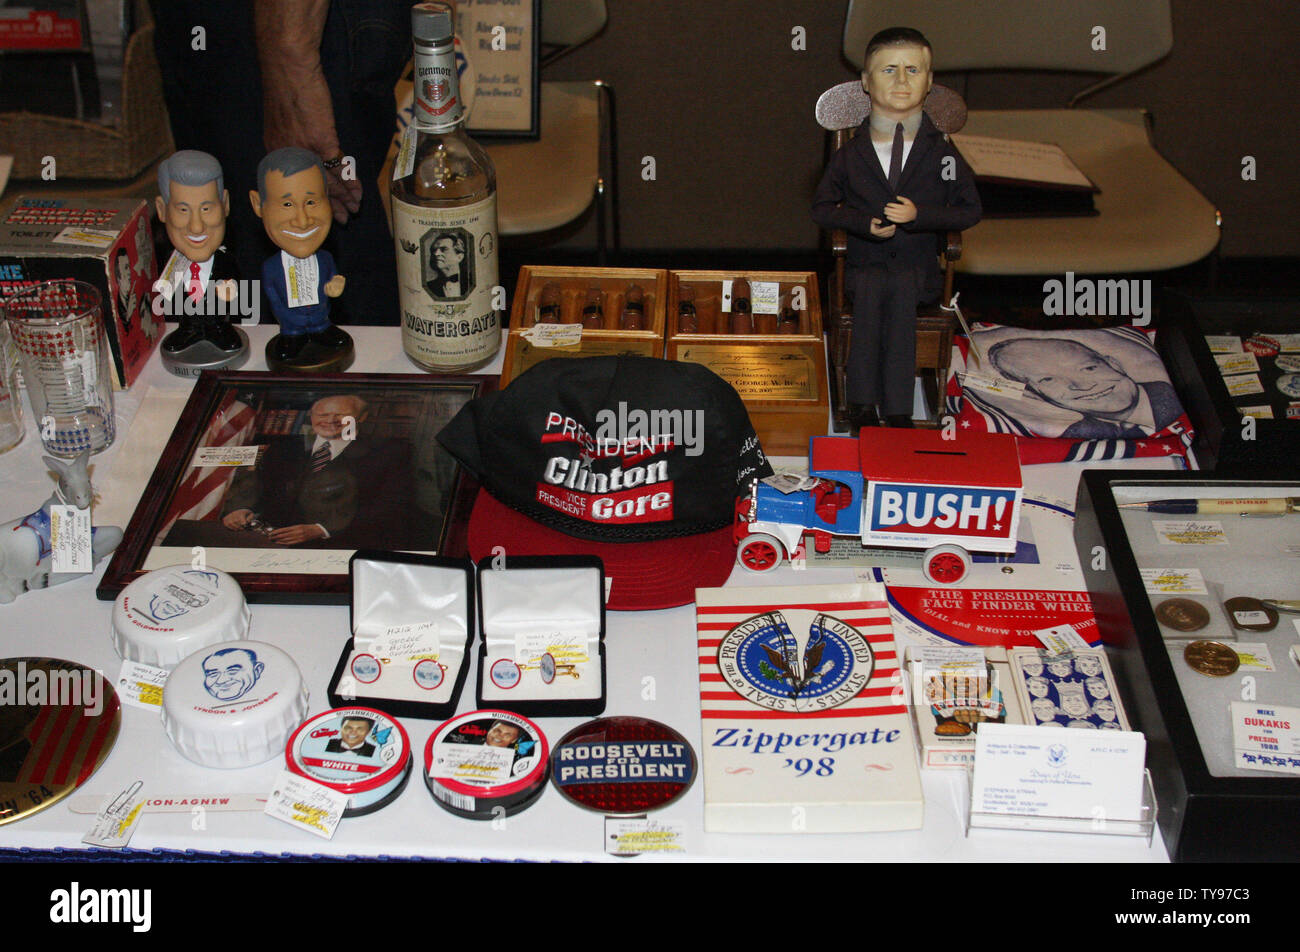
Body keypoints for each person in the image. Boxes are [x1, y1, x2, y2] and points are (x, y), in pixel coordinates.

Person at [812, 27, 982, 429]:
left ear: (929, 81)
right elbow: (821, 207)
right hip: (864, 266)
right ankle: (861, 405)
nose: (902, 81)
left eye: (913, 70)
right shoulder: (852, 154)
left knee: (902, 297)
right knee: (871, 298)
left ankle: (898, 409)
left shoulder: (941, 153)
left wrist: (920, 215)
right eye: (889, 70)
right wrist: (861, 223)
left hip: (917, 270)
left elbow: (969, 210)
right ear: (867, 83)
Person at [221, 394, 416, 548]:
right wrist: (241, 509)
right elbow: (256, 486)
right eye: (322, 415)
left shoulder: (390, 452)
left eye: (342, 415)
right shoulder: (284, 447)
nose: (330, 420)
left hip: (342, 545)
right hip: (273, 543)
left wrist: (323, 529)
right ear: (311, 417)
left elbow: (392, 506)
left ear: (361, 417)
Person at [250, 147, 354, 365]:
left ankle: (321, 330)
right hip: (290, 324)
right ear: (258, 205)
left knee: (327, 334)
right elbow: (275, 299)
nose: (303, 220)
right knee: (290, 342)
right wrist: (290, 319)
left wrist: (335, 284)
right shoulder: (271, 267)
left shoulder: (325, 258)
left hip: (321, 318)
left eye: (311, 202)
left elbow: (331, 279)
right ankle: (293, 336)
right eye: (287, 204)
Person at [987, 337, 1183, 439]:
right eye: (1048, 380)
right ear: (1034, 393)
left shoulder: (1185, 402)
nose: (1082, 386)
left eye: (1089, 368)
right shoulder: (1071, 433)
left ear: (1114, 364)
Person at [155, 150, 246, 356]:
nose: (196, 227)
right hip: (188, 324)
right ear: (161, 210)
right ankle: (189, 329)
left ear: (225, 205)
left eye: (206, 209)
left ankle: (219, 329)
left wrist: (230, 290)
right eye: (183, 210)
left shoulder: (225, 262)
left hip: (219, 323)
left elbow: (236, 280)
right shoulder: (169, 263)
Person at [426, 233, 469, 301]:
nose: (436, 253)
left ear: (459, 257)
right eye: (434, 250)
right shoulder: (429, 287)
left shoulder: (471, 281)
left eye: (443, 249)